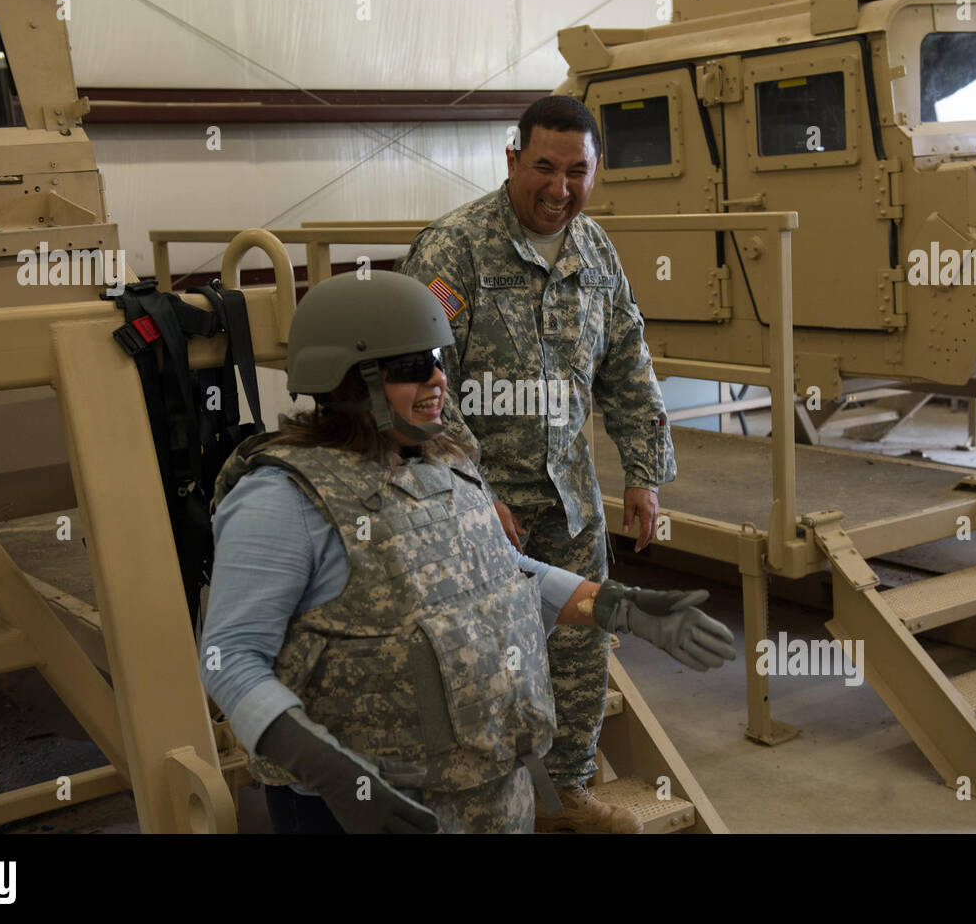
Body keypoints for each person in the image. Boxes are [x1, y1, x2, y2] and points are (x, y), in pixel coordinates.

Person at [198, 270, 735, 834]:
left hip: (492, 790)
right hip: (364, 807)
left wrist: (622, 606)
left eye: (437, 360)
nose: (437, 381)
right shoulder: (280, 499)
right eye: (411, 368)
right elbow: (229, 657)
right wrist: (339, 777)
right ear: (347, 383)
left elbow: (503, 572)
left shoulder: (446, 463)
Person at [398, 95, 675, 832]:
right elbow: (423, 385)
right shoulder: (454, 249)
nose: (559, 188)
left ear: (596, 172)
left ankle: (568, 797)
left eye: (577, 171)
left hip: (571, 504)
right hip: (479, 513)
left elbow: (627, 363)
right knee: (479, 669)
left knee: (582, 657)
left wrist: (643, 472)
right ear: (512, 158)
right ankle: (477, 813)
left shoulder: (596, 250)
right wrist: (471, 490)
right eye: (544, 167)